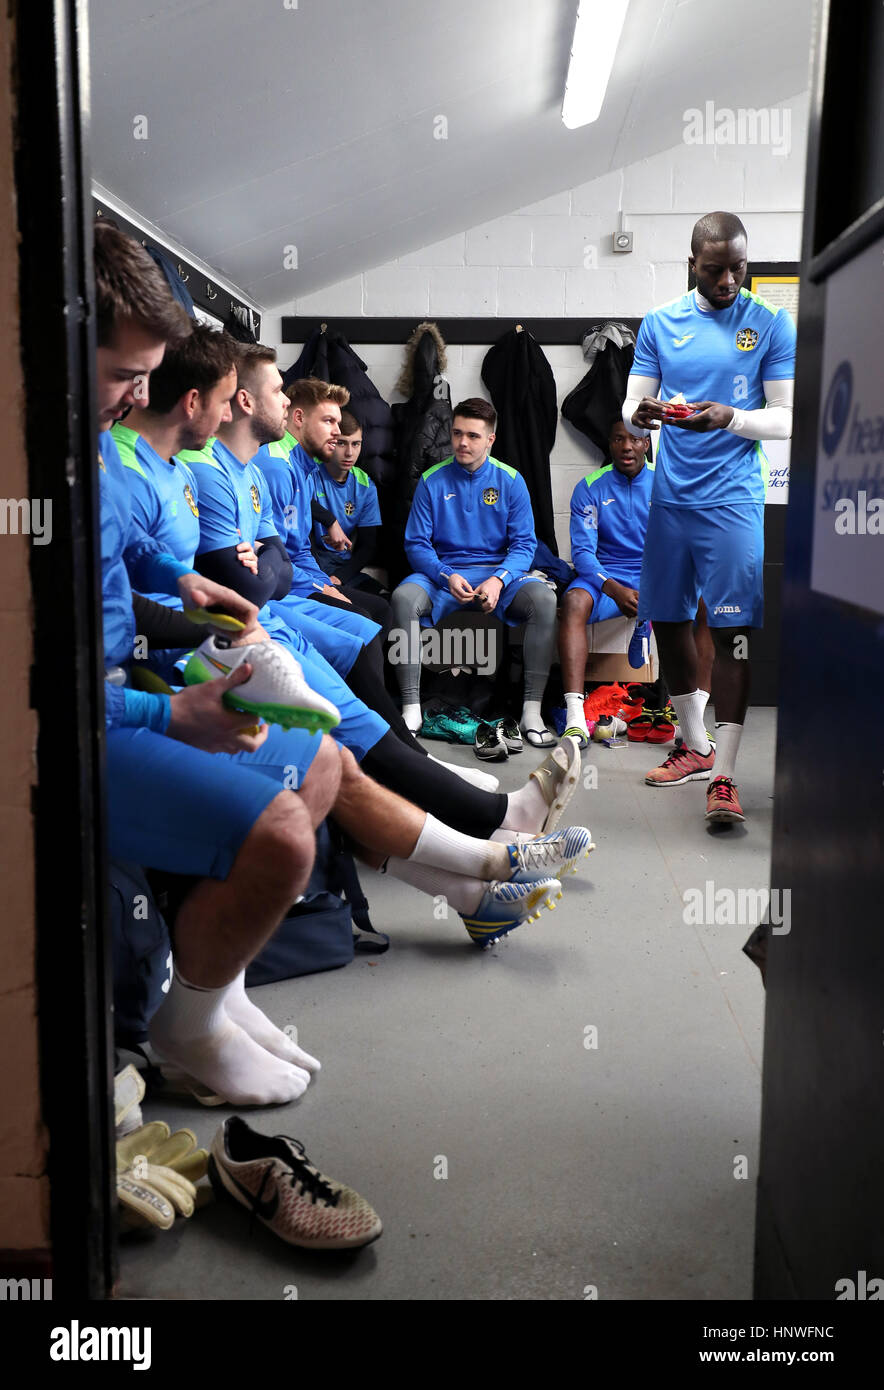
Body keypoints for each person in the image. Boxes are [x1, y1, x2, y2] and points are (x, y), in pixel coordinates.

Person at [94, 232, 586, 1108]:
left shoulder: (155, 462)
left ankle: (479, 853)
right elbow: (229, 582)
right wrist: (177, 685)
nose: (135, 394)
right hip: (176, 672)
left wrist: (194, 577)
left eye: (143, 376)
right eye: (125, 375)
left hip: (219, 640)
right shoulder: (133, 468)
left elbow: (237, 566)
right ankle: (484, 846)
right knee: (341, 712)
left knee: (337, 737)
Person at [623, 210, 796, 825]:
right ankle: (694, 745)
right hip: (671, 499)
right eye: (716, 269)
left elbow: (786, 415)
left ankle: (725, 776)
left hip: (732, 500)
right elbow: (631, 402)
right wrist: (640, 416)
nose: (728, 281)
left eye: (738, 269)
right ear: (692, 262)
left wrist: (732, 417)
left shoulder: (769, 323)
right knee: (669, 620)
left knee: (732, 635)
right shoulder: (660, 323)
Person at [391, 398, 559, 745]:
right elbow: (416, 544)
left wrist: (499, 579)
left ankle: (531, 711)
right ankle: (411, 708)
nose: (462, 443)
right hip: (444, 575)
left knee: (543, 599)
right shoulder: (431, 480)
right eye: (456, 433)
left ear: (490, 439)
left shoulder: (511, 480)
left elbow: (524, 545)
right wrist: (445, 575)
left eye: (472, 435)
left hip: (497, 573)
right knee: (403, 597)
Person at [257, 376, 390, 629]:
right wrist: (321, 588)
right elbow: (274, 558)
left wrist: (326, 584)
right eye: (329, 421)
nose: (337, 432)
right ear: (299, 418)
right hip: (279, 587)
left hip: (298, 577)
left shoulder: (305, 468)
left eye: (337, 422)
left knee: (380, 609)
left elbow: (301, 549)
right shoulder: (278, 468)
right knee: (363, 620)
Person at [559, 419, 654, 747]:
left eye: (634, 439)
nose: (626, 446)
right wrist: (613, 588)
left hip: (652, 575)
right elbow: (583, 554)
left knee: (696, 600)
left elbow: (676, 545)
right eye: (618, 439)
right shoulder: (590, 487)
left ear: (646, 444)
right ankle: (574, 717)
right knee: (573, 602)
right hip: (606, 576)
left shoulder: (666, 483)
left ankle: (687, 715)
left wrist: (655, 586)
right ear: (610, 444)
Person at [308, 409, 386, 595]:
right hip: (311, 563)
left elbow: (368, 546)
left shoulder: (365, 485)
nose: (350, 453)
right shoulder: (310, 471)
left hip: (341, 567)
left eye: (356, 444)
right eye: (341, 443)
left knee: (384, 599)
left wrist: (340, 577)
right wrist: (330, 521)